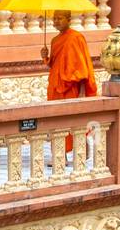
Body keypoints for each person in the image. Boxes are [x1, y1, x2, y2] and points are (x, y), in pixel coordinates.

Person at [41, 10, 98, 154]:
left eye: (60, 18)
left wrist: (82, 92)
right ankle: (60, 156)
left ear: (68, 19)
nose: (56, 21)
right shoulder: (55, 41)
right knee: (57, 122)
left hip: (72, 87)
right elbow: (55, 64)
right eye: (55, 19)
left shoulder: (76, 38)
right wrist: (45, 58)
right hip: (55, 86)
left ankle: (83, 152)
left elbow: (82, 65)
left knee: (75, 121)